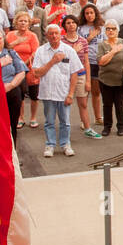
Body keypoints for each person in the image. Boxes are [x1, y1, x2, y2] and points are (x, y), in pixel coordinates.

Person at [31, 23, 82, 158]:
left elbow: (74, 73)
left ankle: (66, 144)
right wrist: (52, 61)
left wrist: (71, 94)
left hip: (64, 92)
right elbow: (36, 72)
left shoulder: (69, 51)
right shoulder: (41, 51)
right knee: (49, 121)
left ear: (61, 35)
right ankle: (50, 145)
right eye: (51, 34)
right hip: (47, 93)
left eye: (56, 33)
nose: (54, 36)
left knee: (65, 121)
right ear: (47, 35)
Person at [62, 13, 102, 139]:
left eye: (73, 23)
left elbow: (86, 62)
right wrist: (73, 51)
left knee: (83, 104)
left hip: (80, 75)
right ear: (64, 26)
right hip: (65, 77)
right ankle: (65, 130)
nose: (71, 25)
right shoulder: (61, 41)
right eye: (68, 23)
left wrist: (88, 81)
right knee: (65, 104)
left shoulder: (83, 41)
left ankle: (88, 128)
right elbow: (61, 61)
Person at [96, 22, 123, 137]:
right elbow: (101, 62)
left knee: (119, 104)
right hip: (105, 80)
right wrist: (113, 51)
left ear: (118, 30)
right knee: (107, 104)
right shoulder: (102, 45)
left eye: (113, 29)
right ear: (105, 31)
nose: (110, 31)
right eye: (108, 29)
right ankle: (107, 127)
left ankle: (121, 126)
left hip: (120, 80)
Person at [6, 12, 41, 128]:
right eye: (20, 20)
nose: (23, 23)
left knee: (34, 94)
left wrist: (24, 64)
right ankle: (20, 117)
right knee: (19, 95)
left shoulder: (32, 36)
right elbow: (5, 49)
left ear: (29, 23)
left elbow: (35, 52)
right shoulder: (10, 35)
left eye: (25, 21)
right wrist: (16, 42)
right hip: (15, 70)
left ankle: (33, 117)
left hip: (30, 68)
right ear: (16, 22)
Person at [0, 26, 29, 140]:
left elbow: (21, 72)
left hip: (11, 92)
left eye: (0, 38)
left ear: (4, 39)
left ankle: (12, 151)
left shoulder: (11, 52)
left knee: (12, 124)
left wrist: (11, 85)